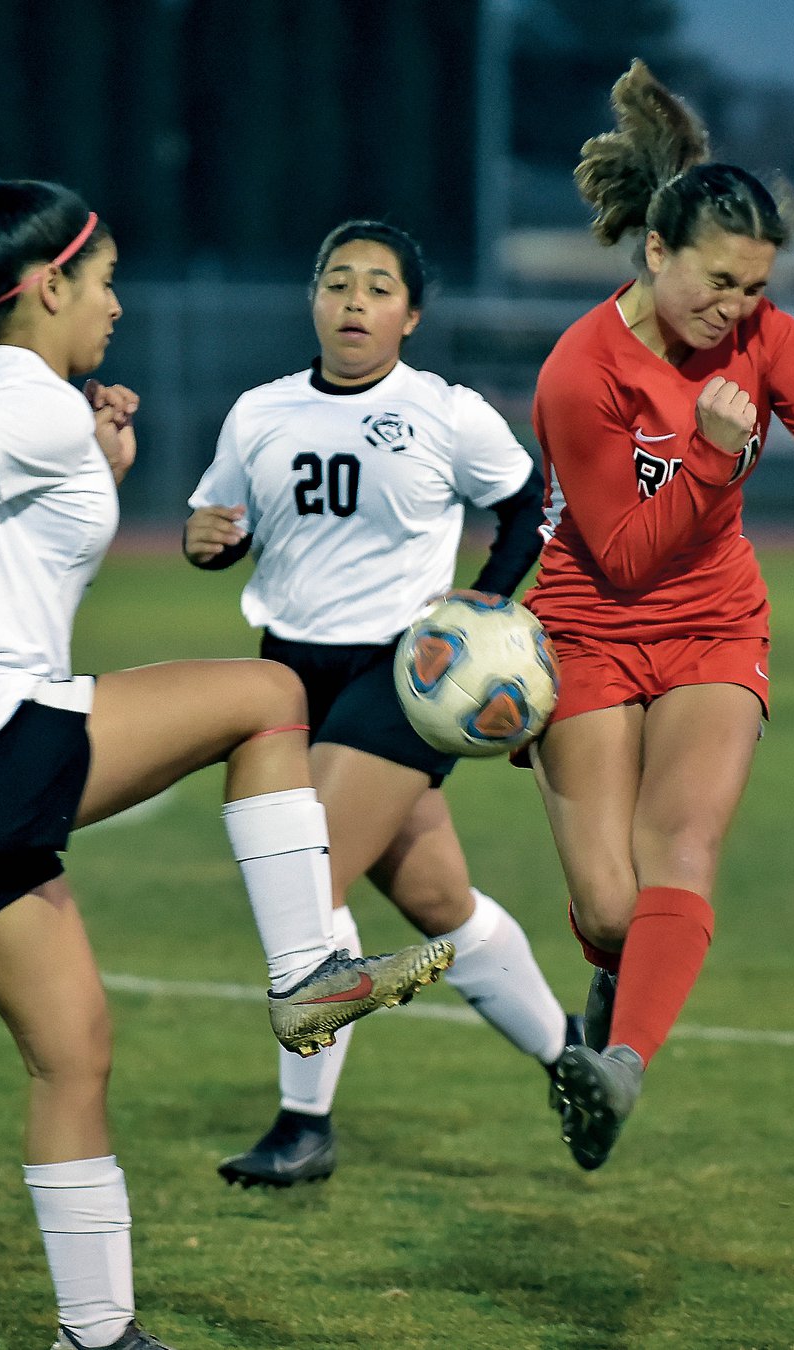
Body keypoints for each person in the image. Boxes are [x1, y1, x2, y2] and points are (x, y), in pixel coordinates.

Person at [0, 176, 454, 1350]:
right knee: (271, 693)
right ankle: (308, 984)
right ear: (50, 286)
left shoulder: (24, 404)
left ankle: (96, 1335)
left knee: (73, 1055)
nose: (119, 305)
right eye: (108, 280)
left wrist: (102, 464)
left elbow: (9, 538)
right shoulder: (30, 404)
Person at [523, 60, 794, 1171]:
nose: (737, 308)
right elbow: (617, 558)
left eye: (757, 287)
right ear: (656, 252)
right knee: (614, 909)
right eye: (718, 282)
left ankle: (620, 1067)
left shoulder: (772, 343)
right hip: (591, 626)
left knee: (684, 845)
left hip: (716, 621)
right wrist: (713, 461)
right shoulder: (580, 372)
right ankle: (609, 985)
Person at [184, 219, 582, 1189]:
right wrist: (210, 541)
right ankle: (574, 1058)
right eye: (336, 282)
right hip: (288, 674)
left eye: (376, 287)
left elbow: (531, 504)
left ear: (410, 313)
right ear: (313, 300)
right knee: (444, 906)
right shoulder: (261, 413)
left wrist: (487, 601)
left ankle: (303, 1125)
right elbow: (221, 525)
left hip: (401, 682)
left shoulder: (444, 412)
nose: (354, 301)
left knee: (302, 893)